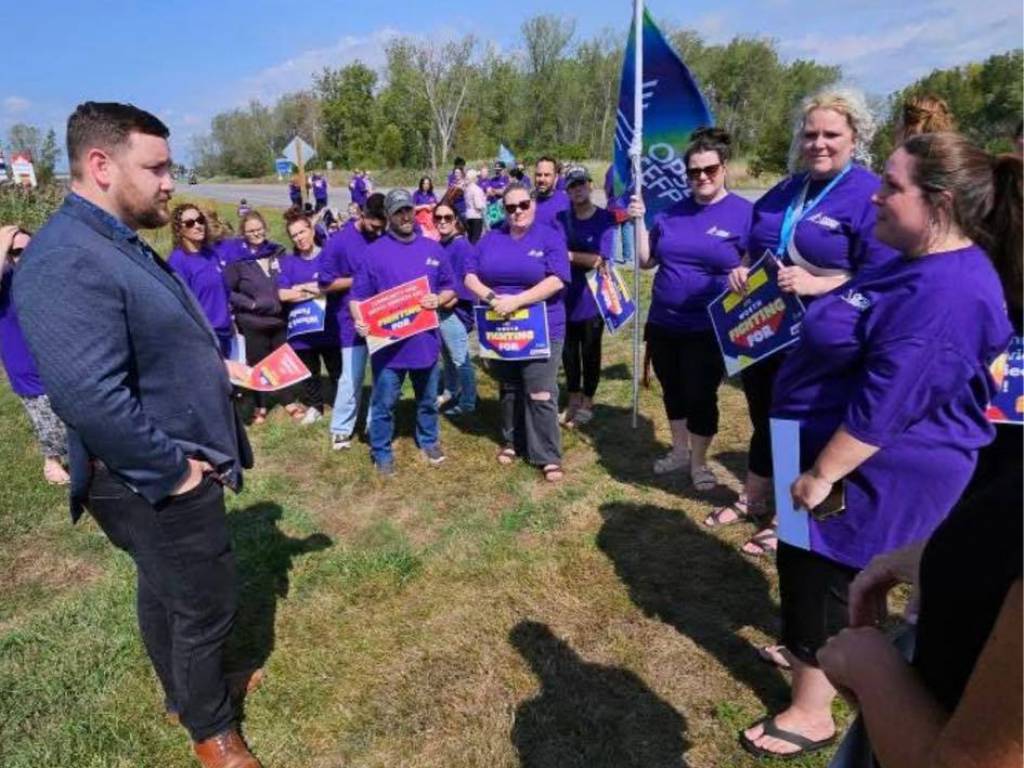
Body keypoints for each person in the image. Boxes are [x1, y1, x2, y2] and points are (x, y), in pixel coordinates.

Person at [739, 132, 1014, 760]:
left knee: (828, 578)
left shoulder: (950, 289)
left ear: (939, 202)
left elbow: (890, 400)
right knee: (802, 569)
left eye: (891, 186)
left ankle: (812, 713)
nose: (876, 200)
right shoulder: (910, 261)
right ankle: (811, 664)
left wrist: (820, 474)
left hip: (862, 472)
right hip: (811, 446)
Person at [14, 101, 258, 766]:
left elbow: (146, 339)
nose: (169, 182)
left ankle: (186, 695)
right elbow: (87, 394)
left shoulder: (112, 239)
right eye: (155, 167)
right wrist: (175, 474)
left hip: (163, 462)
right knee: (203, 600)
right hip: (144, 475)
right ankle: (211, 730)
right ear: (100, 165)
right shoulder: (66, 258)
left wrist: (214, 366)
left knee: (165, 585)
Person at [717, 88, 900, 557]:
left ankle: (790, 515)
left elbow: (887, 277)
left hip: (825, 340)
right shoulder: (786, 188)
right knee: (769, 419)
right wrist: (742, 267)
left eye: (831, 134)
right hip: (764, 331)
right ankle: (758, 496)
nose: (819, 143)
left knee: (804, 426)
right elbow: (755, 243)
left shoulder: (869, 195)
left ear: (855, 137)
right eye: (811, 133)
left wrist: (825, 285)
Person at [630, 128, 753, 490]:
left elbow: (757, 267)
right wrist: (639, 220)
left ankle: (699, 462)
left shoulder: (745, 214)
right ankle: (680, 451)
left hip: (710, 326)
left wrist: (745, 271)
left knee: (701, 394)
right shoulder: (670, 214)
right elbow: (645, 261)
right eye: (694, 171)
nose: (701, 177)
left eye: (709, 169)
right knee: (673, 390)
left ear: (724, 167)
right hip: (664, 321)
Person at [465, 183, 571, 482]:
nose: (517, 212)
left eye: (523, 205)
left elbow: (558, 279)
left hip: (543, 324)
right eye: (511, 207)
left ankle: (547, 454)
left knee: (539, 390)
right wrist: (490, 297)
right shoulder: (490, 237)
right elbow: (469, 274)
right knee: (510, 388)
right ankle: (512, 441)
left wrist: (518, 300)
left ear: (533, 204)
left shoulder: (549, 236)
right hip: (500, 326)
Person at [350, 189, 456, 475]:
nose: (405, 216)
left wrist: (440, 299)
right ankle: (381, 451)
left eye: (408, 209)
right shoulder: (372, 254)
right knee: (384, 403)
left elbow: (451, 288)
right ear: (388, 216)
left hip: (425, 343)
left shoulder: (433, 249)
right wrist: (360, 321)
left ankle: (429, 440)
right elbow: (357, 298)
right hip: (389, 349)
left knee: (427, 399)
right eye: (398, 211)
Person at [0, 225, 69, 484]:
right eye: (17, 252)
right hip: (26, 365)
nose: (25, 257)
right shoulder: (5, 279)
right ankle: (52, 463)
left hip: (59, 360)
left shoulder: (46, 275)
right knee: (47, 418)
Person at [323, 192, 387, 450]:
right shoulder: (339, 242)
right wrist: (361, 280)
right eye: (374, 226)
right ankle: (341, 428)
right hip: (350, 322)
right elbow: (325, 283)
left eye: (383, 228)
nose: (378, 232)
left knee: (382, 376)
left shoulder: (385, 238)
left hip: (383, 319)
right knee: (351, 377)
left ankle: (375, 425)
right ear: (362, 214)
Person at [556, 165, 617, 429]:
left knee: (591, 351)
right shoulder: (559, 218)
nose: (577, 189)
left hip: (593, 298)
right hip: (565, 297)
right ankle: (572, 399)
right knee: (569, 353)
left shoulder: (605, 218)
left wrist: (568, 255)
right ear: (567, 190)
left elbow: (599, 260)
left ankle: (588, 401)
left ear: (590, 185)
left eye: (581, 184)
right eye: (572, 185)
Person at [223, 211, 291, 425]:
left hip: (280, 319)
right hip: (253, 322)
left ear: (265, 227)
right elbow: (228, 291)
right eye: (251, 230)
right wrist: (250, 304)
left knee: (282, 362)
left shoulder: (277, 252)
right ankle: (261, 405)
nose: (256, 233)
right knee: (258, 364)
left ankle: (288, 400)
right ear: (243, 233)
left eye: (259, 229)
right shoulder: (238, 262)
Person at [277, 207, 341, 425]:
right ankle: (316, 406)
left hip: (329, 327)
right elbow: (282, 294)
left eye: (302, 232)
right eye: (294, 235)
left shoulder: (327, 256)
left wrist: (302, 288)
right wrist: (313, 289)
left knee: (337, 370)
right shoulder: (288, 262)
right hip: (302, 331)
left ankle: (343, 403)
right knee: (309, 373)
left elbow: (334, 285)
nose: (299, 238)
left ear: (311, 230)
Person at [167, 204, 235, 357]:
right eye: (190, 223)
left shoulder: (211, 254)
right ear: (180, 230)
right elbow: (179, 306)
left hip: (225, 333)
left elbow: (224, 293)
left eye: (200, 220)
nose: (198, 226)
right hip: (203, 338)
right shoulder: (178, 261)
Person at [434, 201, 478, 417]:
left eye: (447, 218)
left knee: (460, 357)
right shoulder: (439, 245)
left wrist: (453, 297)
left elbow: (468, 277)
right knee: (448, 356)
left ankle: (469, 401)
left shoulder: (462, 246)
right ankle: (451, 390)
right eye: (438, 218)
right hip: (439, 309)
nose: (442, 221)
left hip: (454, 311)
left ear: (456, 221)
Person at [533, 156, 570, 230]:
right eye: (539, 175)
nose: (542, 179)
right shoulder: (525, 202)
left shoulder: (566, 203)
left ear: (556, 177)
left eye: (547, 175)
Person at [463, 169, 487, 243]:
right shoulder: (477, 189)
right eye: (477, 177)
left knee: (470, 237)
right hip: (476, 216)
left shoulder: (467, 189)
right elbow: (478, 205)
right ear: (474, 178)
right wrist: (485, 203)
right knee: (475, 239)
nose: (478, 178)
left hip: (468, 215)